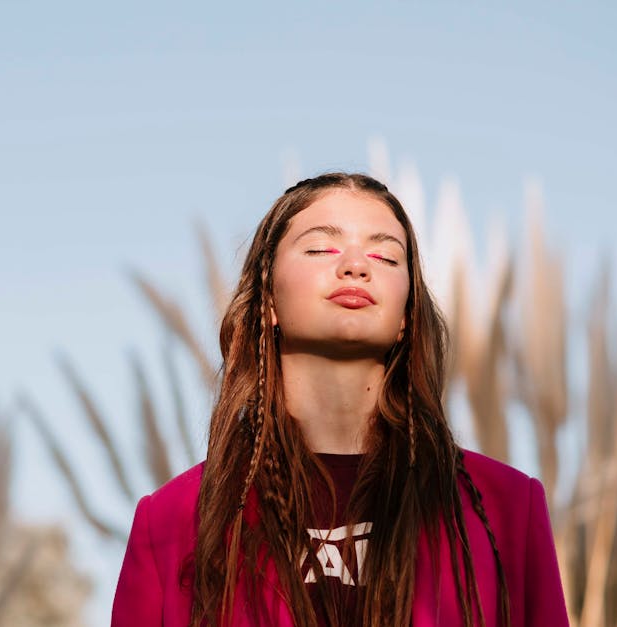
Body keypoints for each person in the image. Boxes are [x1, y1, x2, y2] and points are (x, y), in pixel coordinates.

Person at [112, 172, 567, 626]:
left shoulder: (507, 507)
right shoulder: (173, 521)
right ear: (268, 298)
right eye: (320, 249)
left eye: (385, 256)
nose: (355, 265)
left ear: (407, 314)